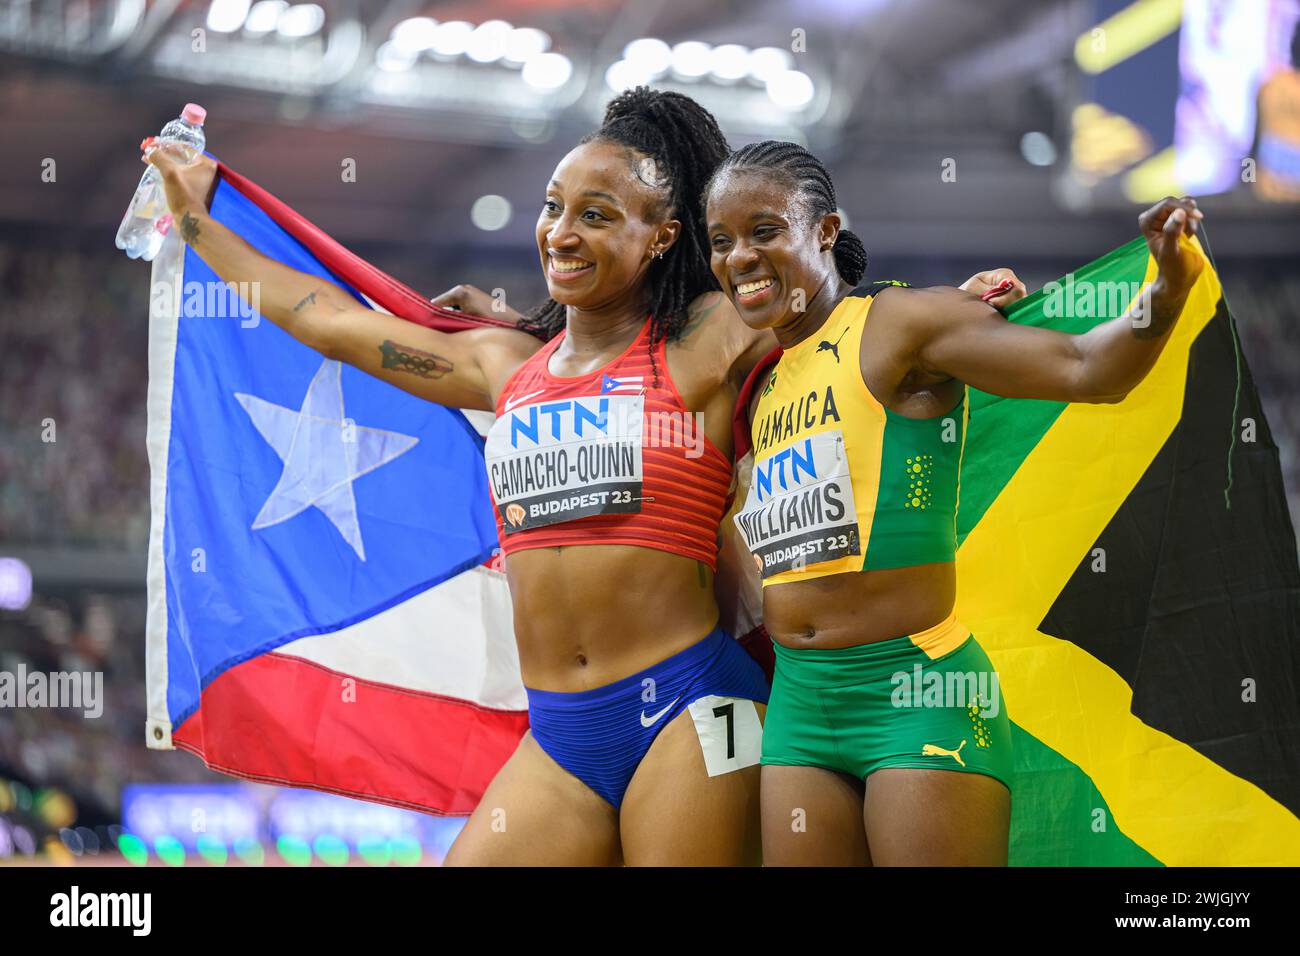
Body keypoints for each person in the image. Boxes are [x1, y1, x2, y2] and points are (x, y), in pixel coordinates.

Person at [144, 89, 1022, 865]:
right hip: (562, 736)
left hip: (692, 707)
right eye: (556, 208)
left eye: (598, 216)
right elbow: (329, 322)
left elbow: (824, 314)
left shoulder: (704, 343)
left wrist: (944, 312)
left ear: (663, 238)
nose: (562, 232)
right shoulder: (502, 363)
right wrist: (197, 223)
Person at [703, 140, 1204, 866]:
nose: (739, 256)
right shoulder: (765, 381)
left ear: (826, 232)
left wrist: (1167, 289)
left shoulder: (904, 327)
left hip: (917, 695)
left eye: (764, 231)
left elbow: (1088, 368)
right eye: (722, 241)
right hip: (800, 711)